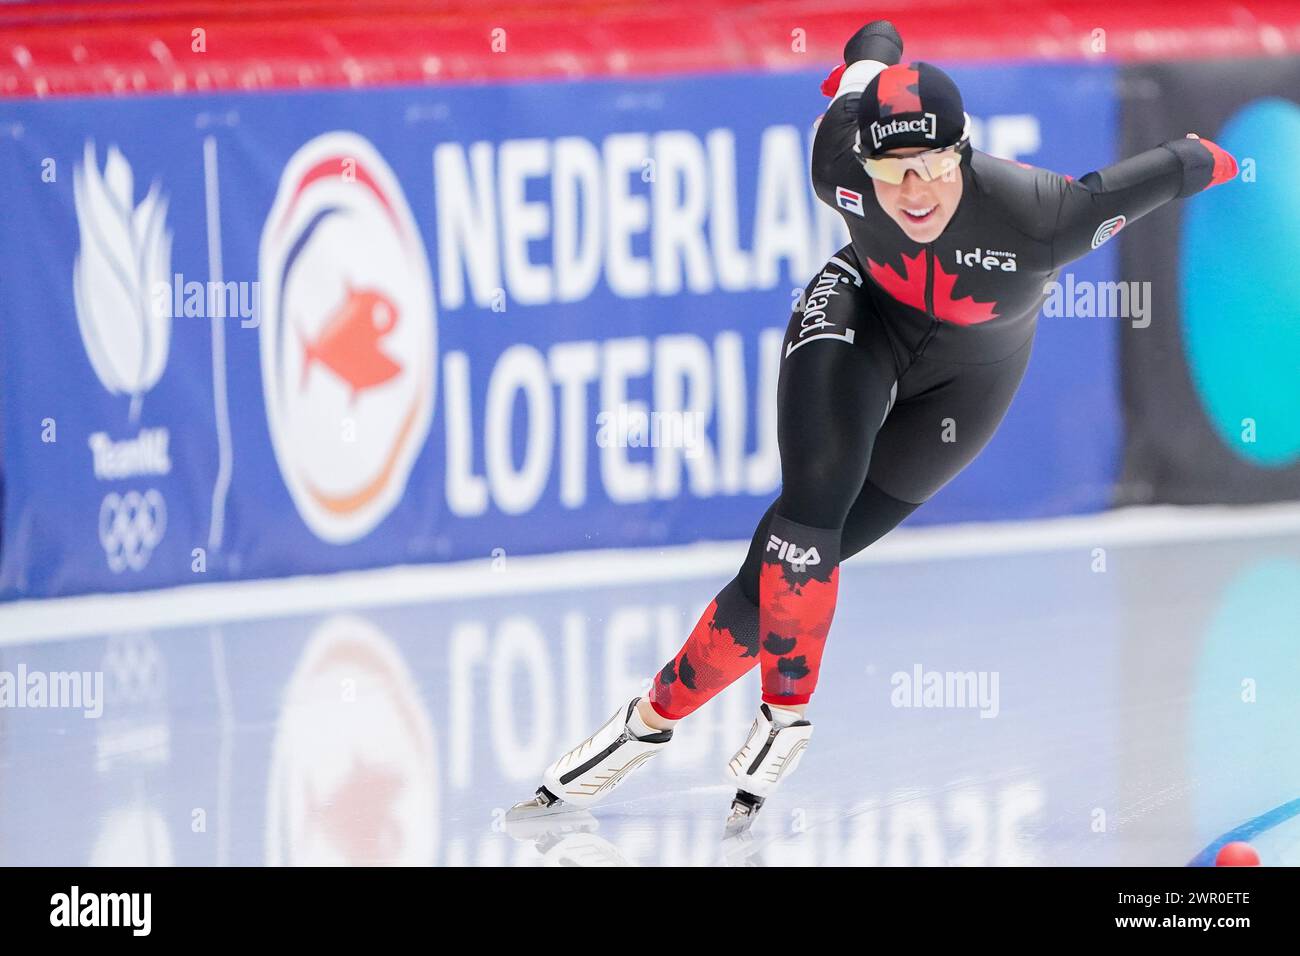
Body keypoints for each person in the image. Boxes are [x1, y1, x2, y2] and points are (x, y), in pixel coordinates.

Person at [510, 20, 1238, 830]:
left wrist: (1227, 161)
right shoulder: (836, 163)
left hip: (965, 387)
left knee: (780, 573)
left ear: (962, 156)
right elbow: (861, 67)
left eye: (929, 169)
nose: (913, 194)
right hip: (860, 315)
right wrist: (872, 54)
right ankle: (786, 716)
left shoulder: (1044, 217)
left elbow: (1174, 167)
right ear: (865, 164)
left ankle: (647, 722)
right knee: (811, 505)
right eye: (892, 174)